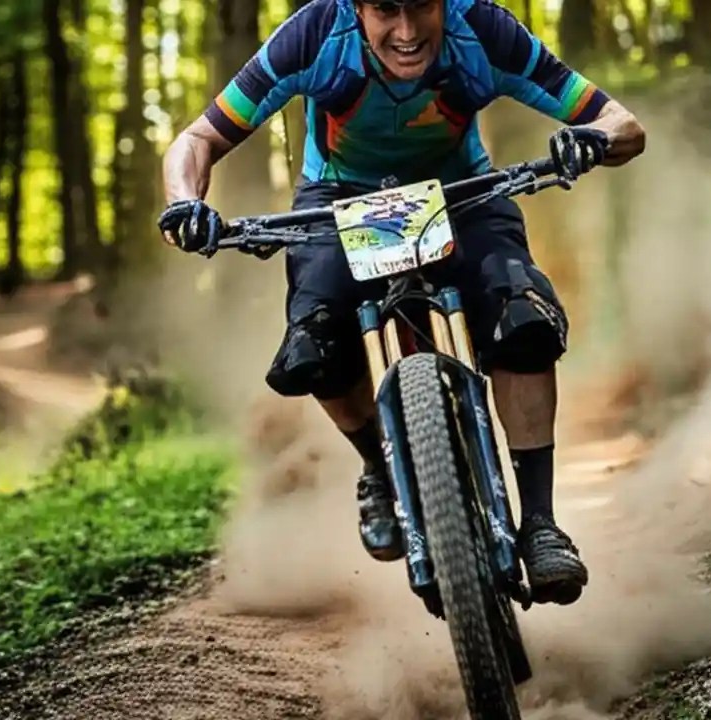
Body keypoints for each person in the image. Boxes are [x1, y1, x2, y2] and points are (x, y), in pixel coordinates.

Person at [158, 0, 645, 606]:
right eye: (386, 10)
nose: (407, 32)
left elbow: (622, 123)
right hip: (336, 202)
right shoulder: (312, 36)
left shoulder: (484, 30)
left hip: (460, 192)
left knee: (523, 316)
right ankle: (378, 467)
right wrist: (184, 202)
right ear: (354, 7)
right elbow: (198, 138)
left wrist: (591, 139)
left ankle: (541, 524)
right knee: (313, 346)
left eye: (421, 6)